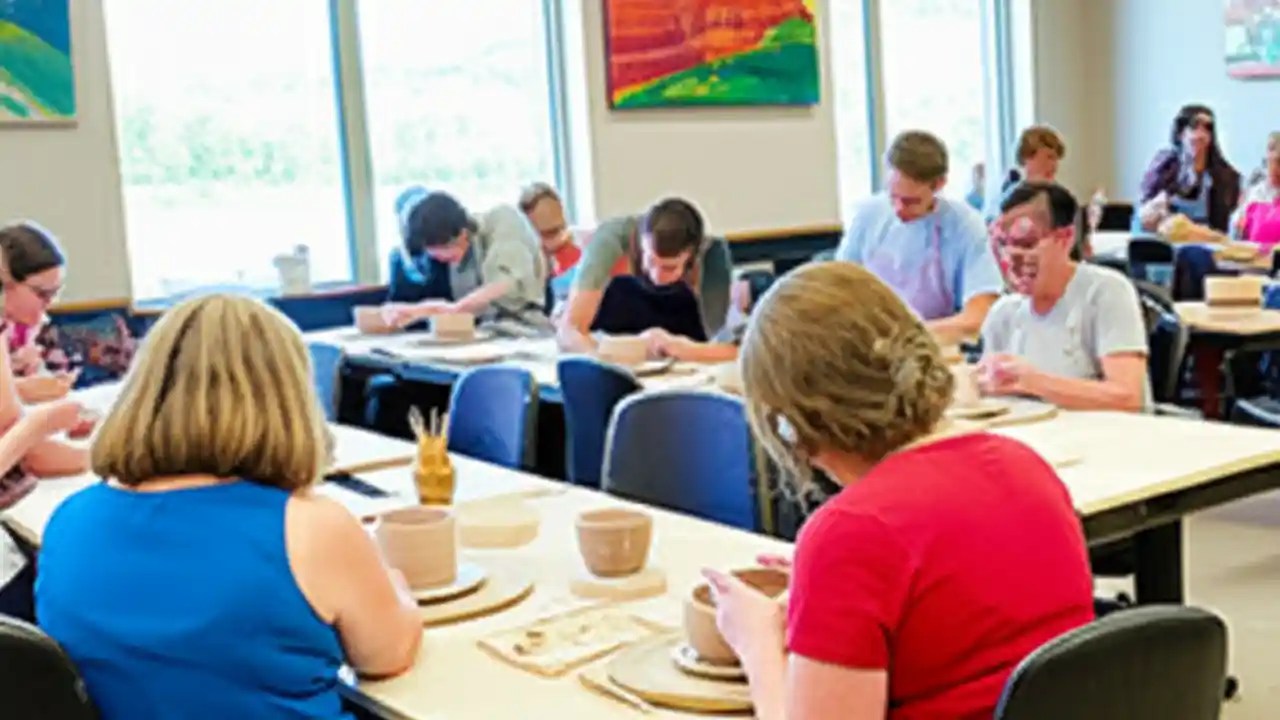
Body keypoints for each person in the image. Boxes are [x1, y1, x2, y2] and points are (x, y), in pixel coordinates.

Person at [705, 261, 1093, 720]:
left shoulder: (851, 532)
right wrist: (827, 594)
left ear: (793, 426)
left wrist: (756, 642)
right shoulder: (1026, 467)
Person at [36, 294, 422, 719]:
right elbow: (386, 657)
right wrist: (397, 588)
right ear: (289, 398)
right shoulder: (311, 527)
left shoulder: (68, 522)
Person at [981, 183, 1149, 413]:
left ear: (1065, 238)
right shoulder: (1003, 314)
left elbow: (1128, 398)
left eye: (1027, 244)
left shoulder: (1106, 292)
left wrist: (1032, 382)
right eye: (1002, 244)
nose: (1011, 258)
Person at [835, 130, 1003, 344]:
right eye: (893, 197)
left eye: (911, 201)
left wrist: (906, 337)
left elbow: (978, 317)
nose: (898, 209)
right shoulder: (867, 216)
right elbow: (838, 291)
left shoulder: (965, 226)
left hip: (934, 344)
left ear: (939, 184)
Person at [555, 197, 734, 361]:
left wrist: (680, 348)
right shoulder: (610, 241)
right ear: (641, 243)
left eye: (669, 268)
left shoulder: (712, 255)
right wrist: (604, 362)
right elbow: (569, 331)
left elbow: (727, 346)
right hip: (605, 324)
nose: (656, 276)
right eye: (650, 261)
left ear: (692, 258)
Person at [380, 188, 547, 327]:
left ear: (462, 234)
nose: (439, 259)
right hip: (486, 330)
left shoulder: (503, 221)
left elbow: (505, 283)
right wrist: (417, 311)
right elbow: (468, 309)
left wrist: (452, 309)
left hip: (529, 329)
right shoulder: (457, 259)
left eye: (442, 251)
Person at [0, 223, 83, 405]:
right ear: (6, 282)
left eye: (55, 294)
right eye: (42, 294)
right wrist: (18, 388)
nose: (49, 304)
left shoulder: (20, 330)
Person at [1137, 104, 1241, 234]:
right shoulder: (1163, 166)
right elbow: (1143, 216)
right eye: (1194, 127)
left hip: (1206, 240)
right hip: (1165, 238)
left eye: (1207, 129)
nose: (1200, 135)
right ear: (1181, 133)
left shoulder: (1224, 176)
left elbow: (1224, 226)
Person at [1232, 131, 1280, 247]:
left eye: (1279, 162)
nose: (1275, 168)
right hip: (1253, 252)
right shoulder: (1255, 192)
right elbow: (1237, 226)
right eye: (1272, 162)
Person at [1001, 125, 1066, 195]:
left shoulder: (1061, 197)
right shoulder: (1011, 195)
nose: (1054, 165)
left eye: (1056, 159)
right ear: (1027, 156)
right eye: (1049, 157)